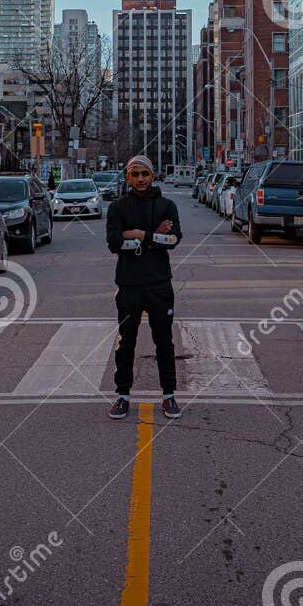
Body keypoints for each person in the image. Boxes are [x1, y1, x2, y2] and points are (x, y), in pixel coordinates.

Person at [105, 155, 184, 420]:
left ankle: (169, 395)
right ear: (128, 177)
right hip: (129, 285)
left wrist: (139, 235)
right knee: (126, 341)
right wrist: (153, 235)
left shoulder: (167, 205)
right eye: (135, 174)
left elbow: (173, 239)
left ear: (153, 176)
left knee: (164, 341)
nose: (141, 179)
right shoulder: (118, 208)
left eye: (145, 174)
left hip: (159, 284)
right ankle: (123, 396)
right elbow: (114, 242)